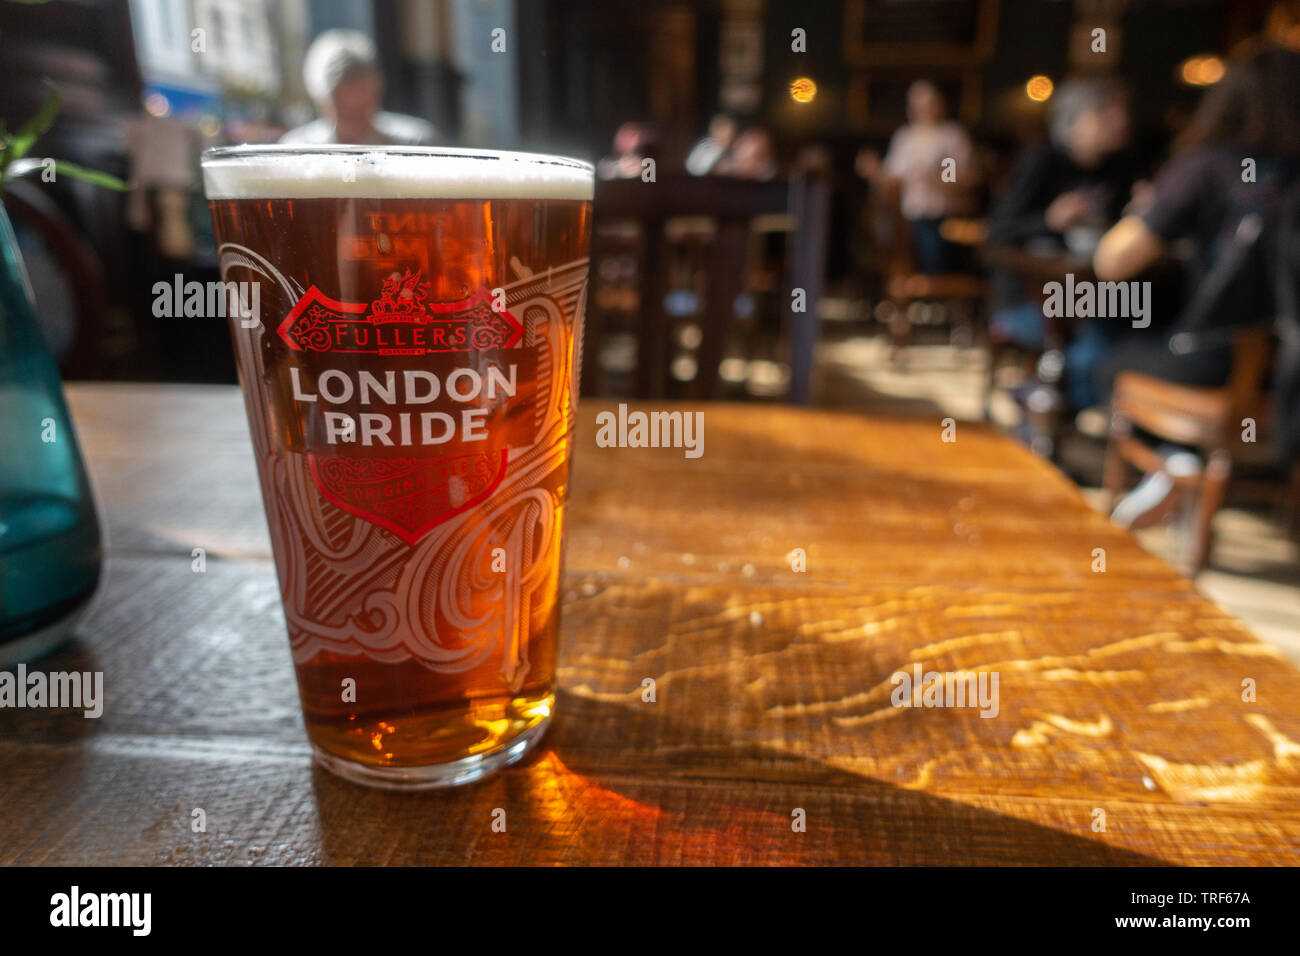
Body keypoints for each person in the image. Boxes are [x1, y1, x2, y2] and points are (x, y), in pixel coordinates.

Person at [1094, 43, 1300, 527]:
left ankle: (1174, 460)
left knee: (1107, 363)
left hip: (1215, 359)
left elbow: (1112, 262)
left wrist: (1152, 216)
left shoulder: (1209, 164)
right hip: (1286, 377)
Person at [984, 77, 1136, 411]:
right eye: (1106, 113)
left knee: (1129, 328)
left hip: (1095, 296)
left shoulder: (1122, 169)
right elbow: (997, 232)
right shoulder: (1041, 161)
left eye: (1122, 112)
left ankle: (1049, 406)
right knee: (1097, 344)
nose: (1121, 121)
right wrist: (1049, 221)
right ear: (1072, 122)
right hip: (1026, 299)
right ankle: (1048, 412)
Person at [857, 80, 972, 274]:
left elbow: (955, 180)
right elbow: (891, 179)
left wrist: (933, 177)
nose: (924, 110)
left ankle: (932, 292)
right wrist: (874, 171)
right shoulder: (904, 138)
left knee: (931, 248)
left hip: (940, 216)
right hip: (906, 219)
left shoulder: (951, 137)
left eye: (929, 104)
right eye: (918, 105)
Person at [281, 30, 435, 146]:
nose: (354, 124)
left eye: (363, 109)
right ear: (321, 101)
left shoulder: (415, 144)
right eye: (346, 112)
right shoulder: (299, 151)